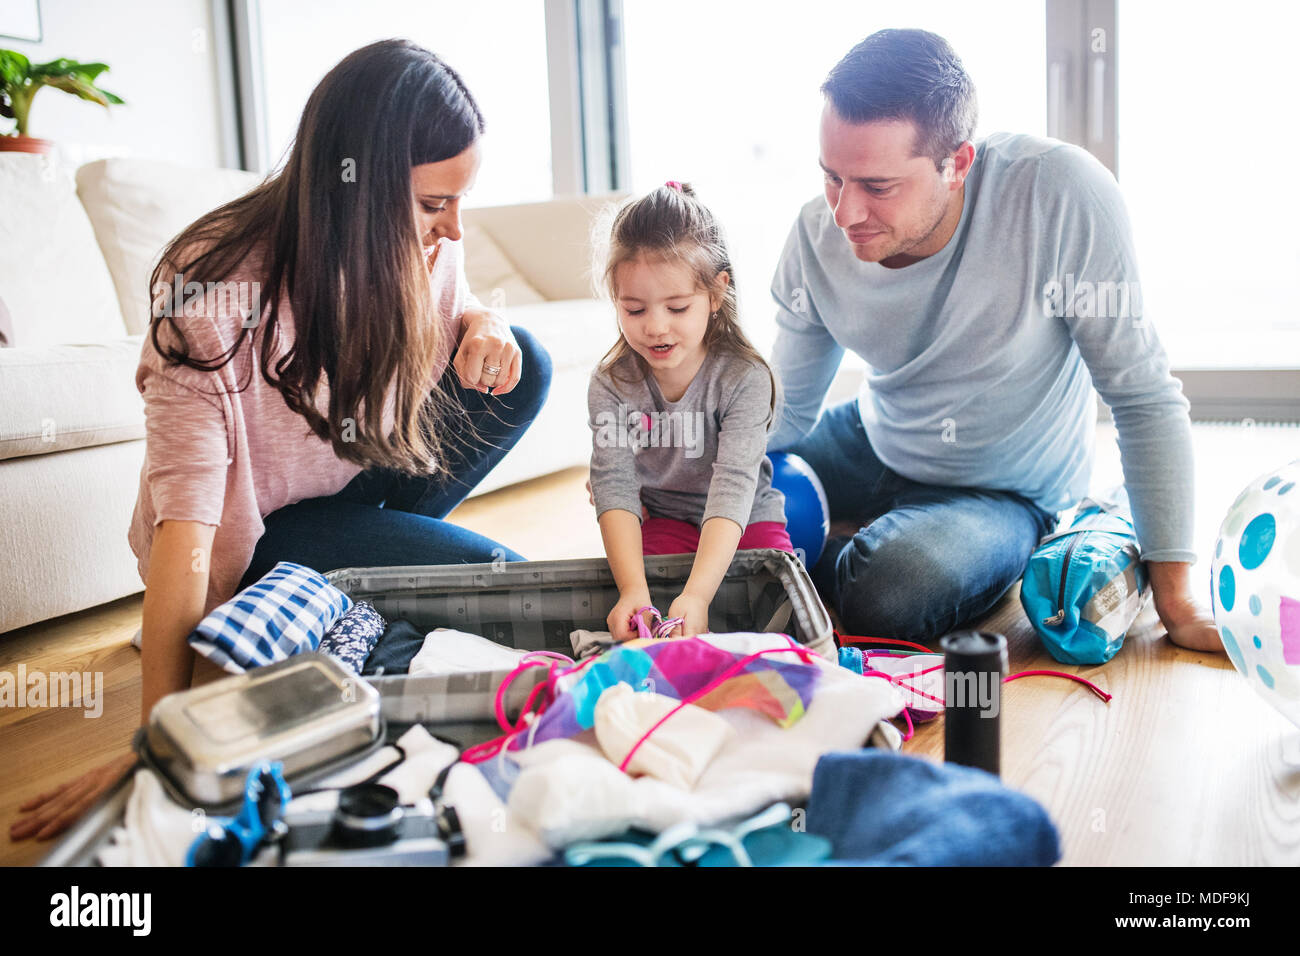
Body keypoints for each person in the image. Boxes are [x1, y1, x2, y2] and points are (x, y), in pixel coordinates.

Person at [10, 39, 552, 843]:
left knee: (527, 367)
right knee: (505, 582)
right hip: (258, 540)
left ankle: (364, 560)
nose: (455, 228)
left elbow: (460, 301)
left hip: (349, 485)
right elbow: (187, 530)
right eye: (435, 203)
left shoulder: (423, 245)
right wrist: (166, 744)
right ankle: (308, 586)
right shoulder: (208, 289)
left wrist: (487, 323)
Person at [768, 28, 1221, 653]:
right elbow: (785, 410)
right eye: (831, 178)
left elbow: (1141, 397)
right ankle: (855, 538)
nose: (844, 213)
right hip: (880, 431)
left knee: (888, 596)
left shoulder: (1060, 196)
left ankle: (905, 545)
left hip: (1004, 486)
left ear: (956, 164)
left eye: (876, 186)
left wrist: (1176, 599)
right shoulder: (818, 234)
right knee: (706, 496)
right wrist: (678, 465)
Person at [589, 182, 792, 642]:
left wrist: (698, 595)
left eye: (677, 307)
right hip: (662, 519)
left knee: (778, 613)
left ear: (716, 293)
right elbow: (613, 484)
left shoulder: (745, 377)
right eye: (634, 309)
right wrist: (633, 590)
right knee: (637, 614)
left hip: (744, 519)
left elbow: (733, 484)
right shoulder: (610, 383)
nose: (656, 327)